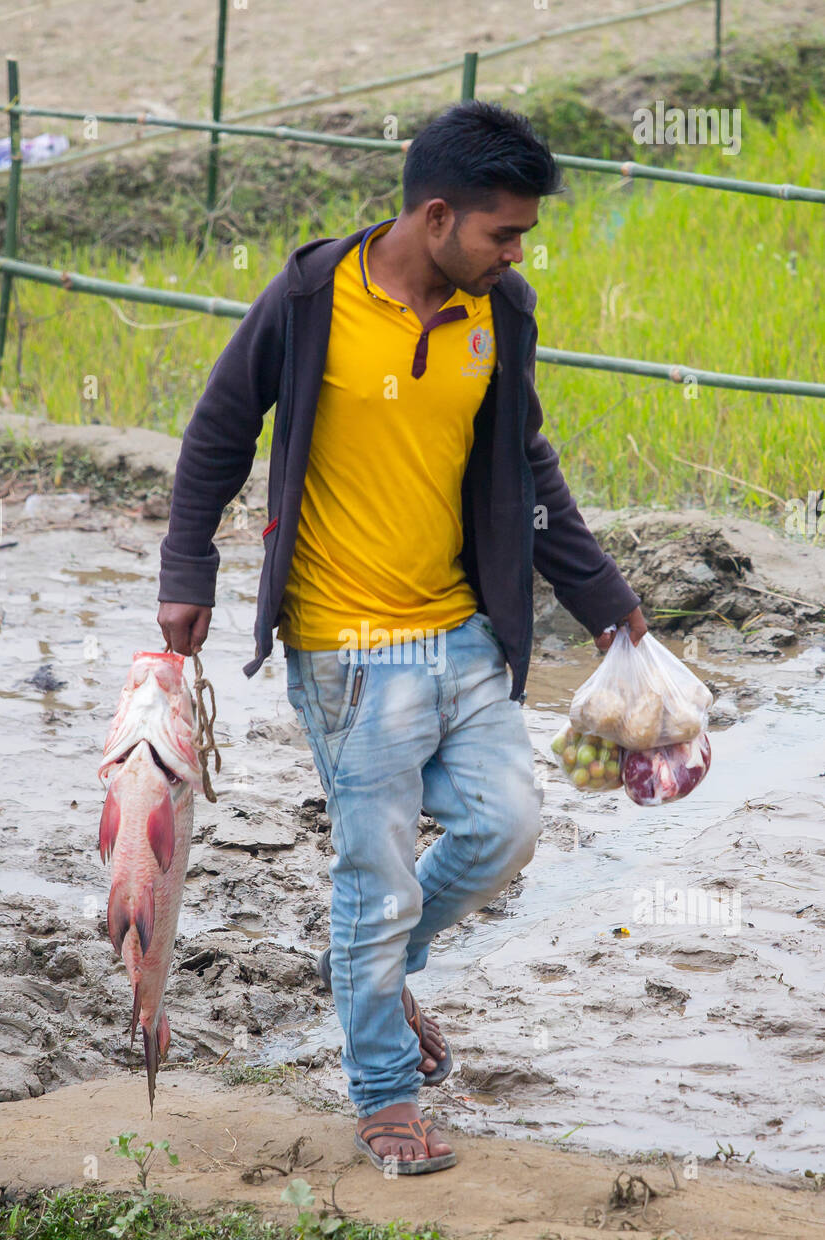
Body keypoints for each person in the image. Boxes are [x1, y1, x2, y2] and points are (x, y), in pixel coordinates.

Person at [158, 100, 646, 1176]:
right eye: (500, 233)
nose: (514, 252)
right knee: (372, 881)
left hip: (463, 637)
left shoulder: (497, 312)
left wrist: (605, 599)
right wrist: (186, 572)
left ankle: (375, 968)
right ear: (435, 216)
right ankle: (382, 1097)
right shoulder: (307, 301)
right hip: (344, 655)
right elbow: (216, 431)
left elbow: (526, 467)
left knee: (507, 828)